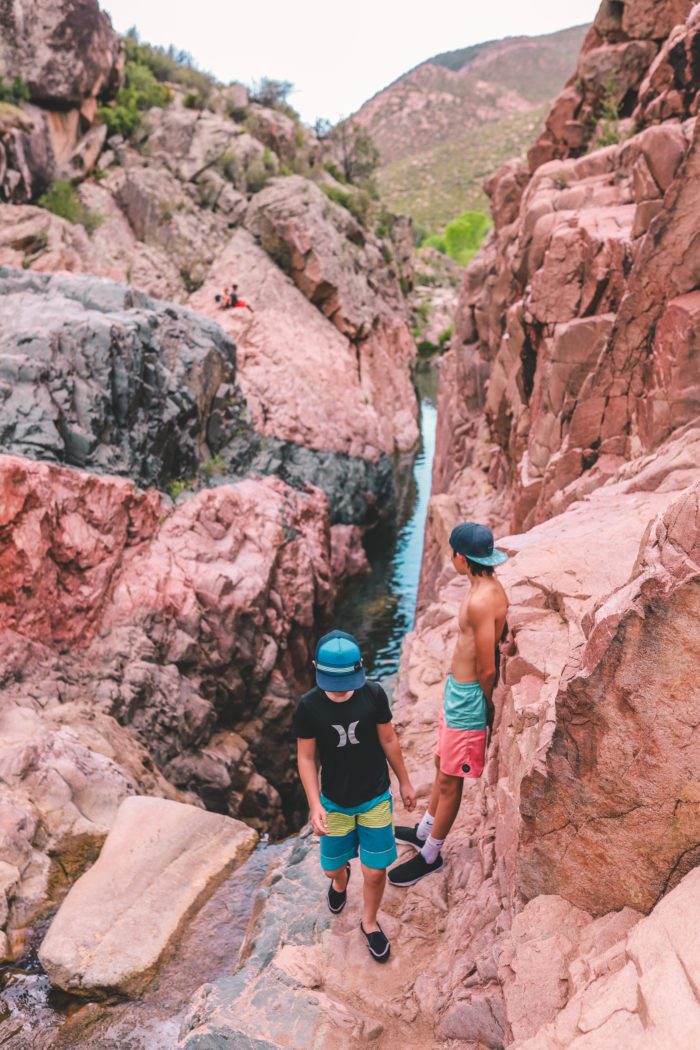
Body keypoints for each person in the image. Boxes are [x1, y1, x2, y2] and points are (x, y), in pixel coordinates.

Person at [388, 522, 508, 887]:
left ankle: (431, 854)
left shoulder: (481, 600)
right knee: (443, 764)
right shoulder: (480, 588)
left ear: (461, 556)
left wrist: (485, 706)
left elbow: (487, 666)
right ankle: (425, 830)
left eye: (451, 552)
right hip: (458, 691)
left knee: (452, 780)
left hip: (469, 696)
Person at [295, 629, 417, 962]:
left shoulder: (374, 695)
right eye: (332, 687)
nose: (339, 693)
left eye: (345, 685)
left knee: (376, 870)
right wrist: (315, 803)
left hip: (374, 797)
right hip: (335, 801)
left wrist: (404, 782)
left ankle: (369, 921)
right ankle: (340, 880)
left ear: (359, 670)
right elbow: (306, 757)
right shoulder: (308, 707)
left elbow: (389, 740)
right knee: (331, 869)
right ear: (316, 668)